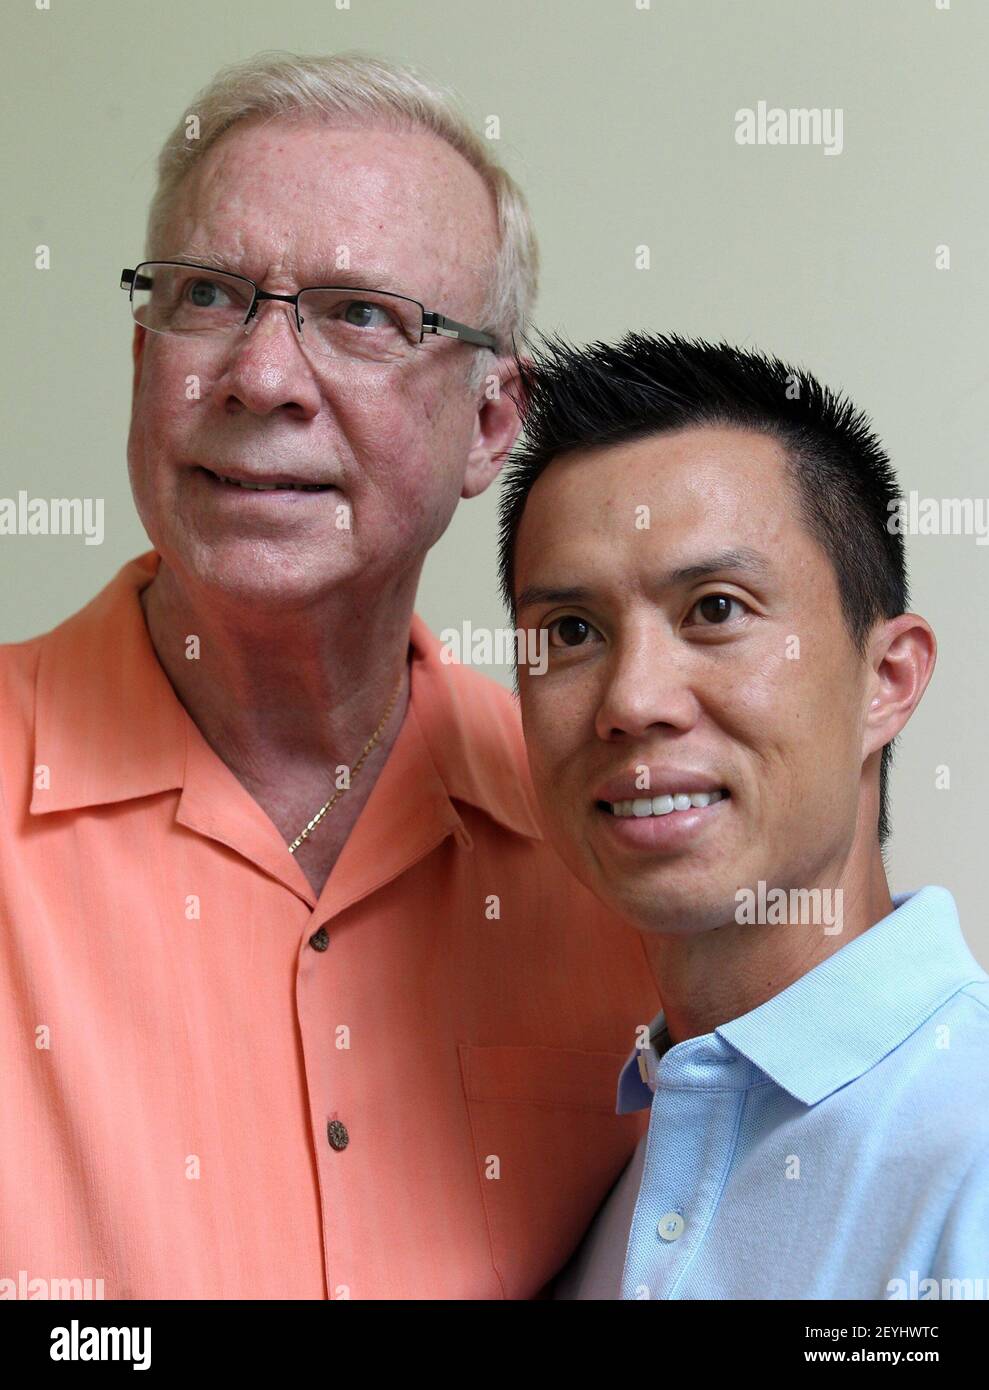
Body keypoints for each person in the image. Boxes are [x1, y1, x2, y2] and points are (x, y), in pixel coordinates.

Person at [0, 53, 663, 1301]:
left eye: (362, 315)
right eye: (207, 295)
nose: (260, 377)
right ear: (144, 359)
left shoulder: (611, 835)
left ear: (487, 423)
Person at [497, 331, 989, 1299]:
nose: (632, 699)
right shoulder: (595, 1179)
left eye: (715, 609)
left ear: (884, 680)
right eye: (569, 632)